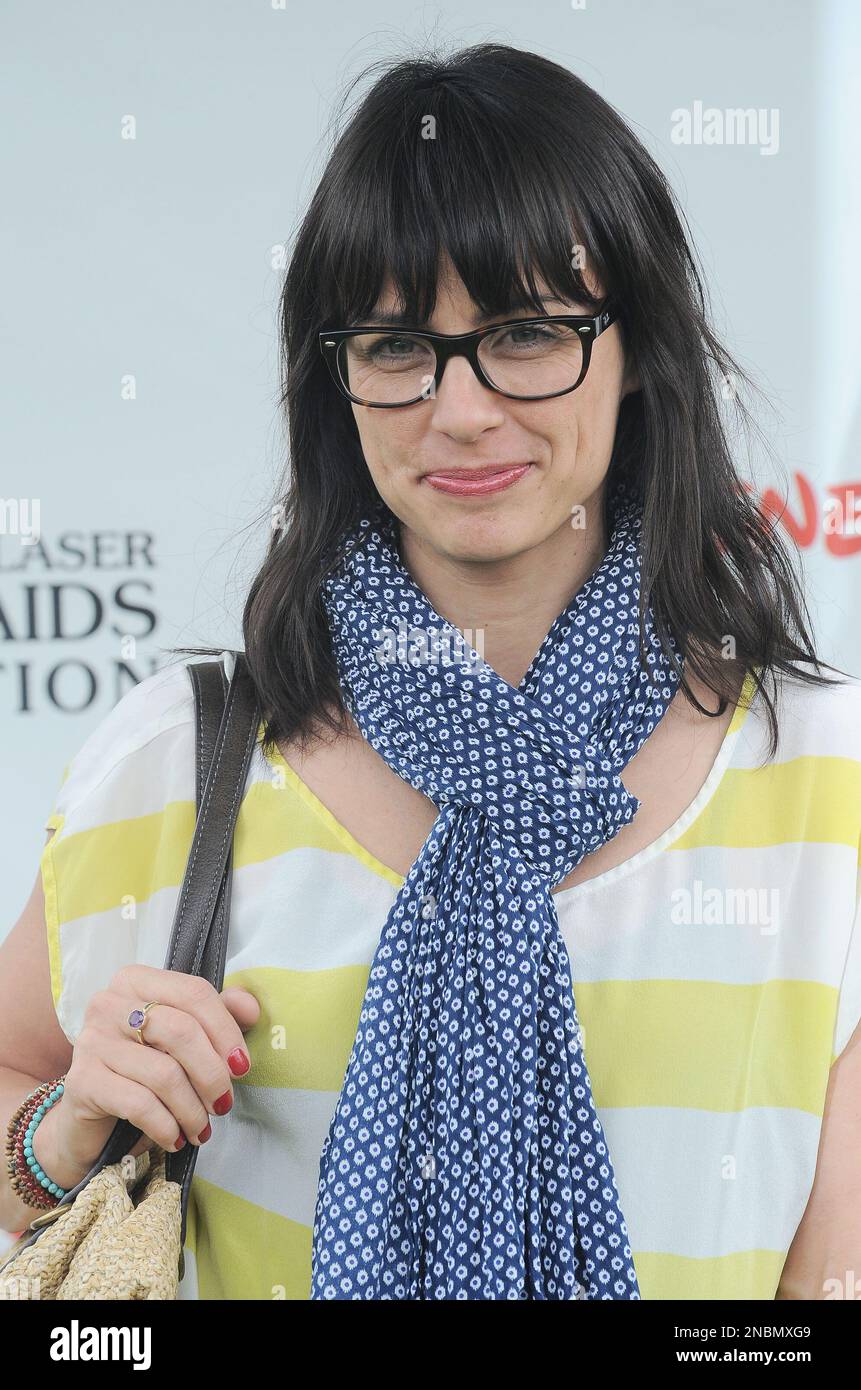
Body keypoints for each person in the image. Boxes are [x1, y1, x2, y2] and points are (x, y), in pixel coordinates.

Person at [2, 41, 860, 1301]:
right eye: (397, 346)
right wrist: (58, 1132)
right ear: (332, 378)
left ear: (641, 353)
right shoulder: (179, 764)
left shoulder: (823, 780)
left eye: (523, 332)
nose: (459, 410)